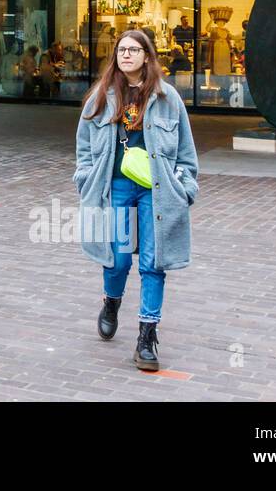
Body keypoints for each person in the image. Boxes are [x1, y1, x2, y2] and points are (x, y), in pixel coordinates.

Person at [72, 29, 200, 371]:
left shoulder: (167, 98)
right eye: (121, 50)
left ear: (147, 56)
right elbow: (83, 147)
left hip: (155, 191)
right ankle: (111, 302)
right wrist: (85, 178)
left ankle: (147, 335)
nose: (126, 55)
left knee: (153, 262)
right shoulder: (101, 96)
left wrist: (184, 187)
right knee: (117, 260)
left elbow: (186, 153)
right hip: (115, 187)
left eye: (133, 49)